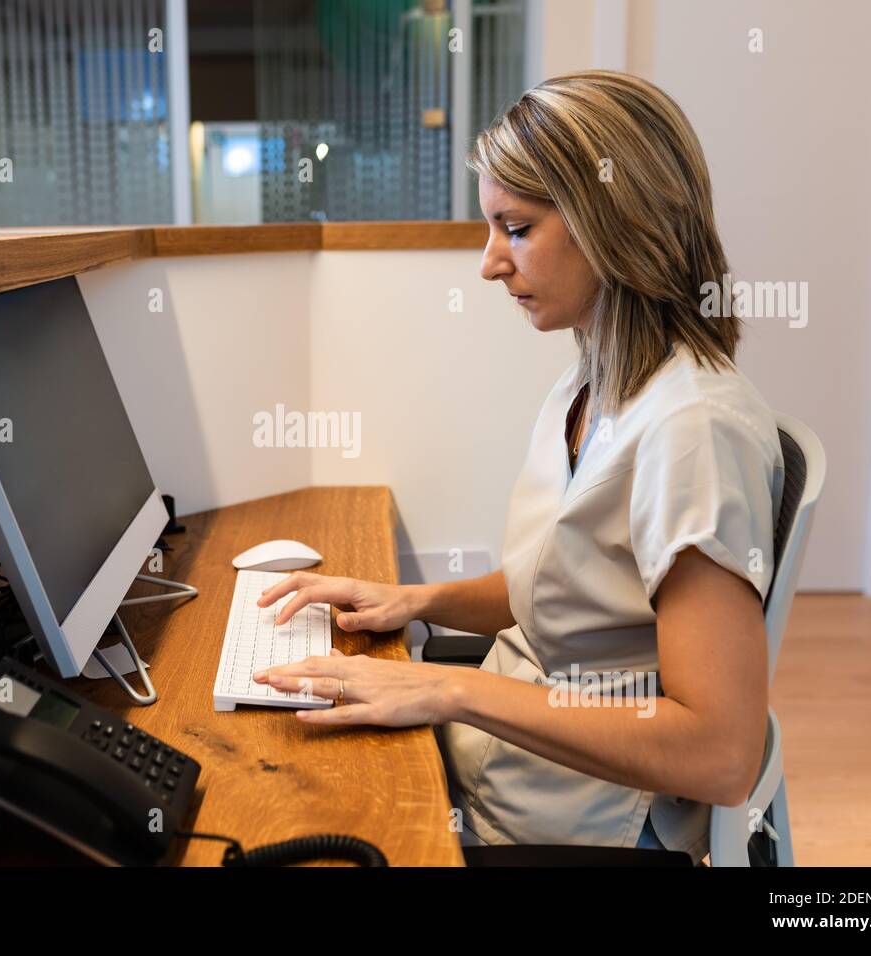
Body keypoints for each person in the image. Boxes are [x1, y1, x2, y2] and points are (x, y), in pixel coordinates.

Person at [251, 70, 785, 863]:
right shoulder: (598, 376)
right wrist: (412, 600)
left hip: (577, 823)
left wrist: (448, 688)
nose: (490, 263)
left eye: (517, 227)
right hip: (504, 768)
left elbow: (721, 754)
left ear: (616, 220)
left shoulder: (694, 432)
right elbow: (564, 583)